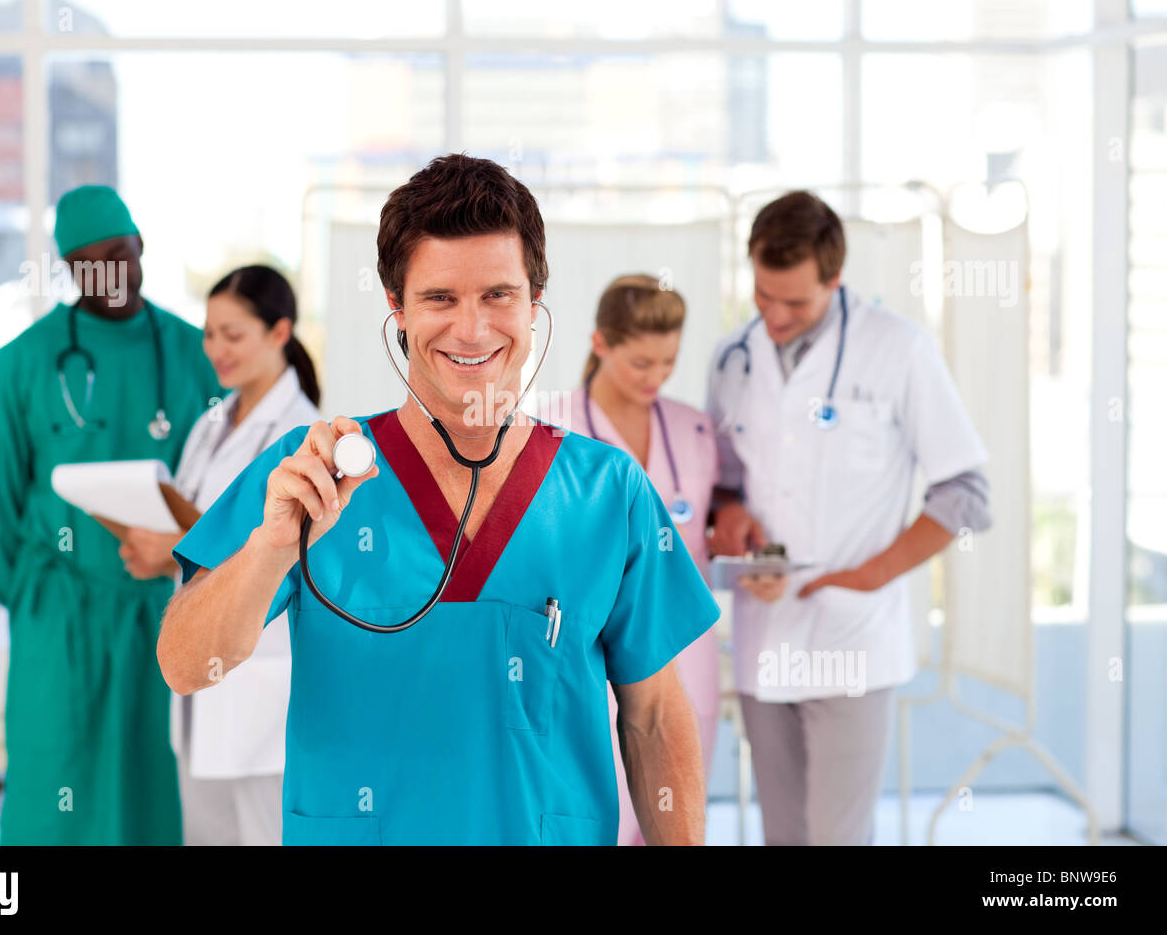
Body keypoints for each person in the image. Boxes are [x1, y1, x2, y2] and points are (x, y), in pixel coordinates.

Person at [157, 154, 718, 846]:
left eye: (498, 296)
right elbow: (185, 665)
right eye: (439, 298)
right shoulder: (310, 473)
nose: (472, 329)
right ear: (397, 309)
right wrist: (271, 548)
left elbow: (655, 715)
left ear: (534, 304)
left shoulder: (609, 492)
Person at [706, 190, 992, 845]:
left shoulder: (898, 350)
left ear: (836, 280)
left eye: (795, 302)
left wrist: (868, 576)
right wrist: (735, 518)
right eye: (762, 295)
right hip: (764, 630)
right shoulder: (732, 357)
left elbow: (966, 491)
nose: (774, 315)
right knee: (782, 835)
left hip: (851, 635)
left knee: (837, 838)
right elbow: (723, 485)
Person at [0, 184, 222, 844]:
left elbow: (233, 481)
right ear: (70, 271)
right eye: (89, 262)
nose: (109, 273)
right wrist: (27, 591)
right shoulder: (22, 364)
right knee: (55, 787)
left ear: (142, 250)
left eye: (120, 254)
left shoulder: (197, 355)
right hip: (62, 612)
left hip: (167, 605)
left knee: (157, 788)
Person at [117, 265, 321, 846]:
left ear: (279, 332)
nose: (216, 350)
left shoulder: (304, 432)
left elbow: (288, 555)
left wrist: (178, 555)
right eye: (209, 334)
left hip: (263, 691)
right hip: (202, 687)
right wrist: (166, 553)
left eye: (233, 334)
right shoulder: (211, 424)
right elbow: (201, 530)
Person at [538, 274, 719, 846]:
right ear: (600, 344)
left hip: (687, 654)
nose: (656, 378)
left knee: (674, 816)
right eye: (641, 363)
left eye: (668, 362)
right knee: (599, 814)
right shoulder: (546, 426)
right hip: (586, 651)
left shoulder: (694, 429)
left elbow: (715, 522)